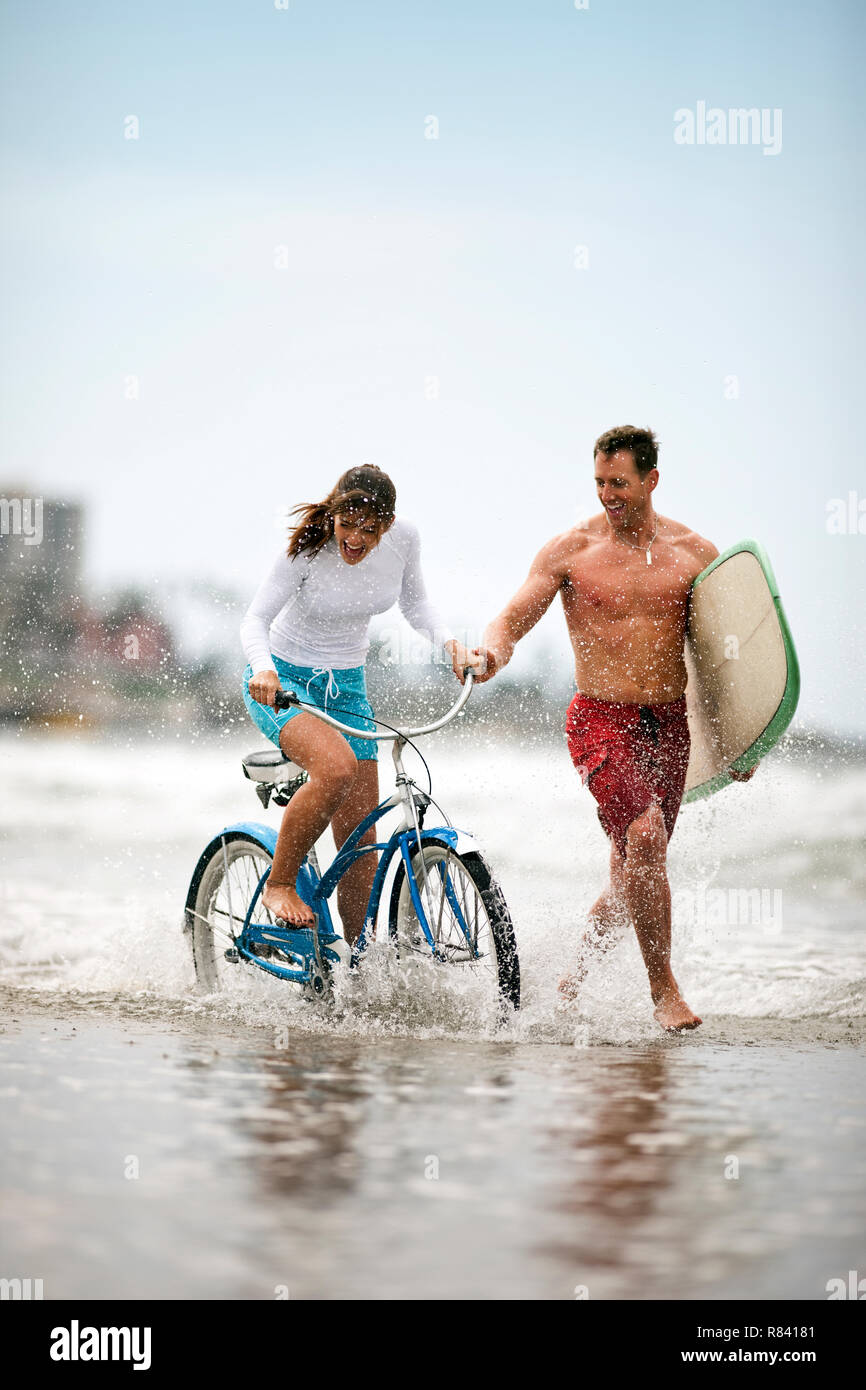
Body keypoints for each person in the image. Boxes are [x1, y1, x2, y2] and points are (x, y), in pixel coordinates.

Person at [472, 426, 756, 1032]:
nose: (607, 495)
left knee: (632, 882)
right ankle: (665, 992)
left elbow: (719, 659)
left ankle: (573, 976)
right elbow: (511, 618)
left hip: (669, 724)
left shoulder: (694, 554)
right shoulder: (571, 551)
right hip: (598, 719)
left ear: (652, 480)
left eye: (619, 483)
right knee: (648, 838)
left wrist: (738, 737)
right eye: (599, 482)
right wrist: (491, 653)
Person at [241, 464, 476, 943]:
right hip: (282, 681)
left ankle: (359, 966)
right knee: (337, 767)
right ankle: (280, 883)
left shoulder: (404, 540)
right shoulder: (308, 547)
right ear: (334, 513)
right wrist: (264, 670)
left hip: (346, 686)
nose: (356, 538)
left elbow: (416, 606)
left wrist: (453, 647)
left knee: (361, 841)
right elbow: (255, 620)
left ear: (388, 524)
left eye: (370, 529)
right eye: (348, 524)